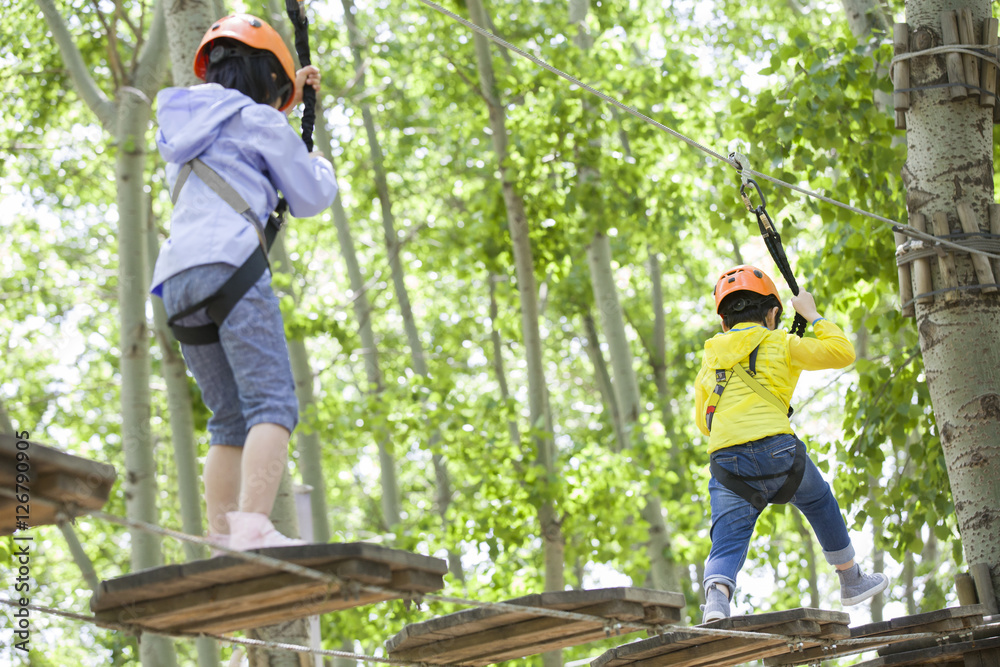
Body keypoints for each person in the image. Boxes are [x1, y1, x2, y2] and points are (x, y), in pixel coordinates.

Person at [149, 14, 338, 552]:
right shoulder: (262, 123)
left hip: (177, 283)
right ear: (266, 81)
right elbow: (309, 198)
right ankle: (253, 525)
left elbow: (237, 131)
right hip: (231, 267)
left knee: (228, 419)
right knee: (273, 405)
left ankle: (221, 533)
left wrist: (287, 101)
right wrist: (316, 160)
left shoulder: (182, 128)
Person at [694, 265, 888, 623]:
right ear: (772, 314)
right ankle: (850, 579)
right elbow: (841, 352)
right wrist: (812, 316)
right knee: (818, 500)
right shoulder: (781, 342)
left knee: (727, 534)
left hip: (726, 461)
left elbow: (703, 422)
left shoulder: (710, 360)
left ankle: (717, 604)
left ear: (724, 323)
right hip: (777, 450)